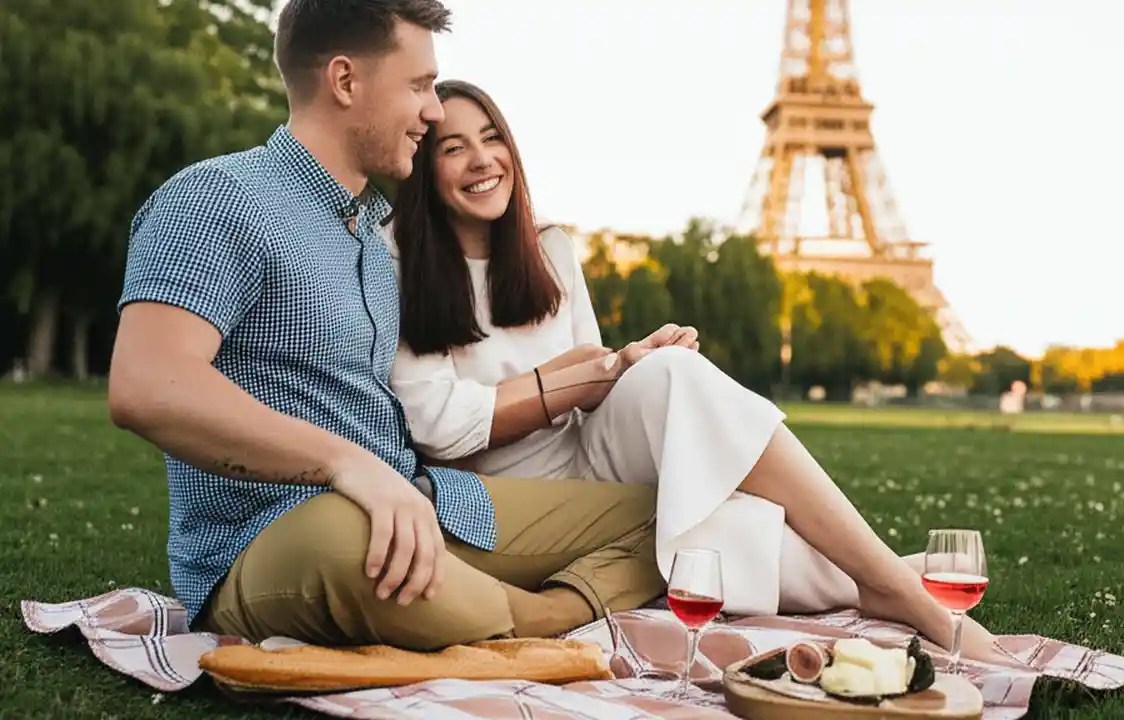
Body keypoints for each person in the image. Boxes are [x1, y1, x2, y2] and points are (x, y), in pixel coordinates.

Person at [386, 80, 1013, 664]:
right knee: (711, 521)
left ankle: (887, 582)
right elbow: (440, 425)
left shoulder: (549, 246)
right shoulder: (398, 260)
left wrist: (626, 365)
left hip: (584, 452)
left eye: (493, 138)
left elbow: (594, 386)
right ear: (424, 168)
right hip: (505, 493)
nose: (481, 160)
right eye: (454, 147)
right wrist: (580, 378)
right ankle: (897, 582)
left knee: (671, 374)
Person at [108, 0, 667, 653]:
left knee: (669, 508)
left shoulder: (373, 241)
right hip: (275, 535)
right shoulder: (216, 198)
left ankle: (527, 614)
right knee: (355, 548)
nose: (433, 111)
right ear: (346, 82)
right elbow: (147, 385)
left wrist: (613, 367)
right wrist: (348, 466)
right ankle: (541, 620)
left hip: (420, 498)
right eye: (419, 86)